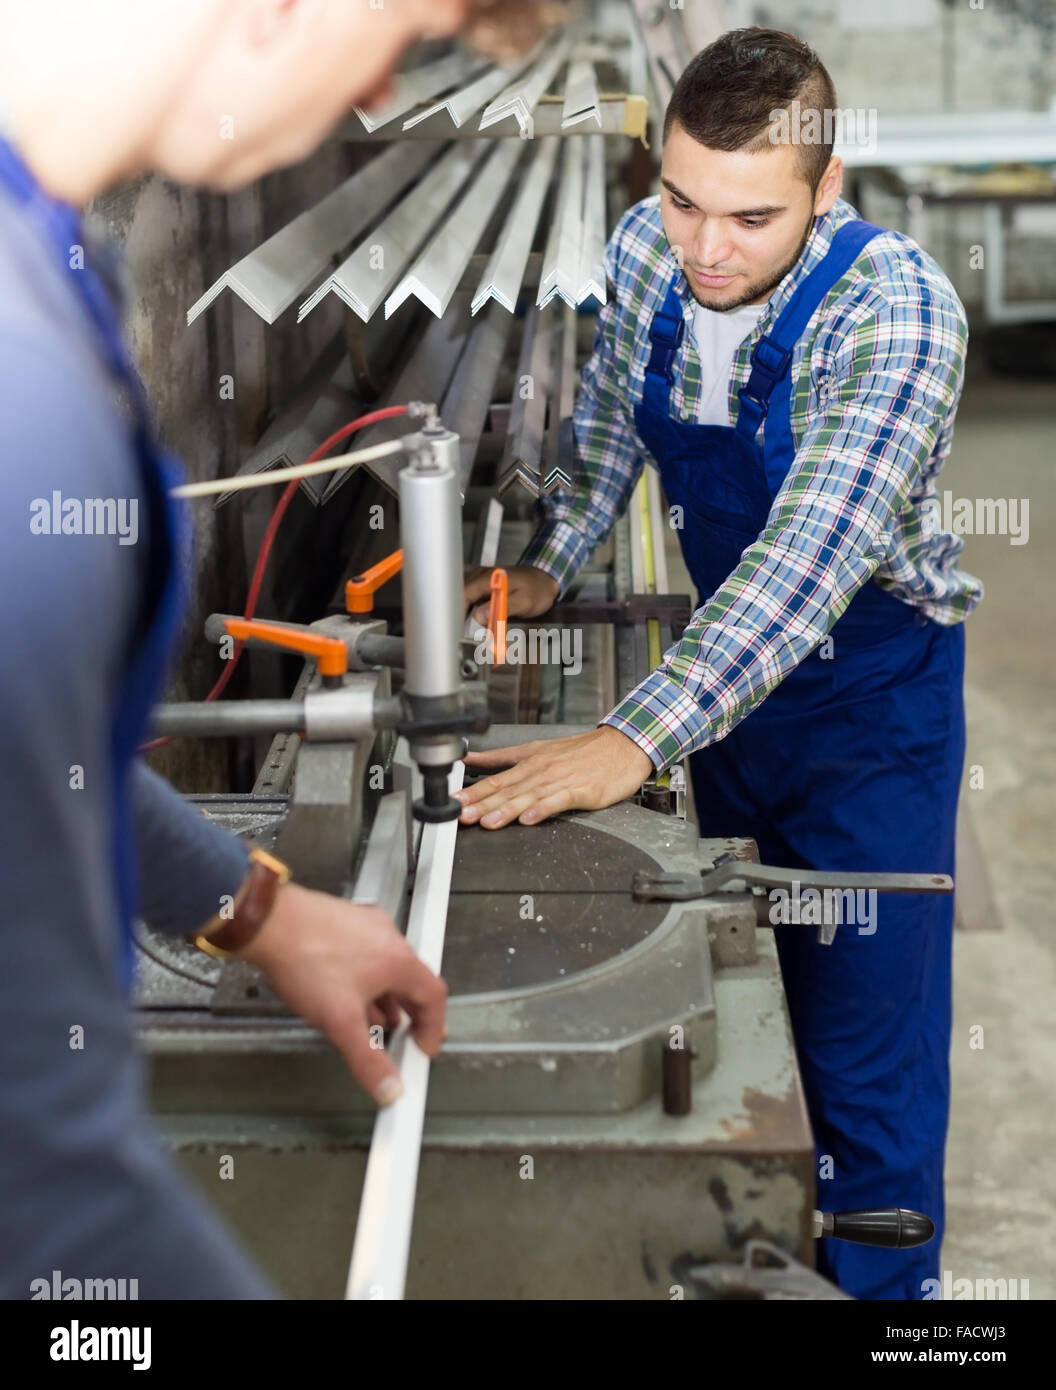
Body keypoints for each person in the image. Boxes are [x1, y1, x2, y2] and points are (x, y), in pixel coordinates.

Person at [0, 0, 551, 1300]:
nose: (373, 84)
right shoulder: (26, 396)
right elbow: (44, 1194)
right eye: (412, 28)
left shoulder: (46, 256)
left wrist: (259, 906)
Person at [461, 27, 983, 1301]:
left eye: (750, 218)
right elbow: (603, 437)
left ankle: (876, 1298)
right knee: (746, 1021)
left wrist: (630, 736)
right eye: (683, 198)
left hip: (871, 713)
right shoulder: (650, 253)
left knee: (864, 1059)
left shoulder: (898, 314)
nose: (704, 248)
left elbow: (805, 563)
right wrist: (551, 561)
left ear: (827, 185)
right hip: (727, 707)